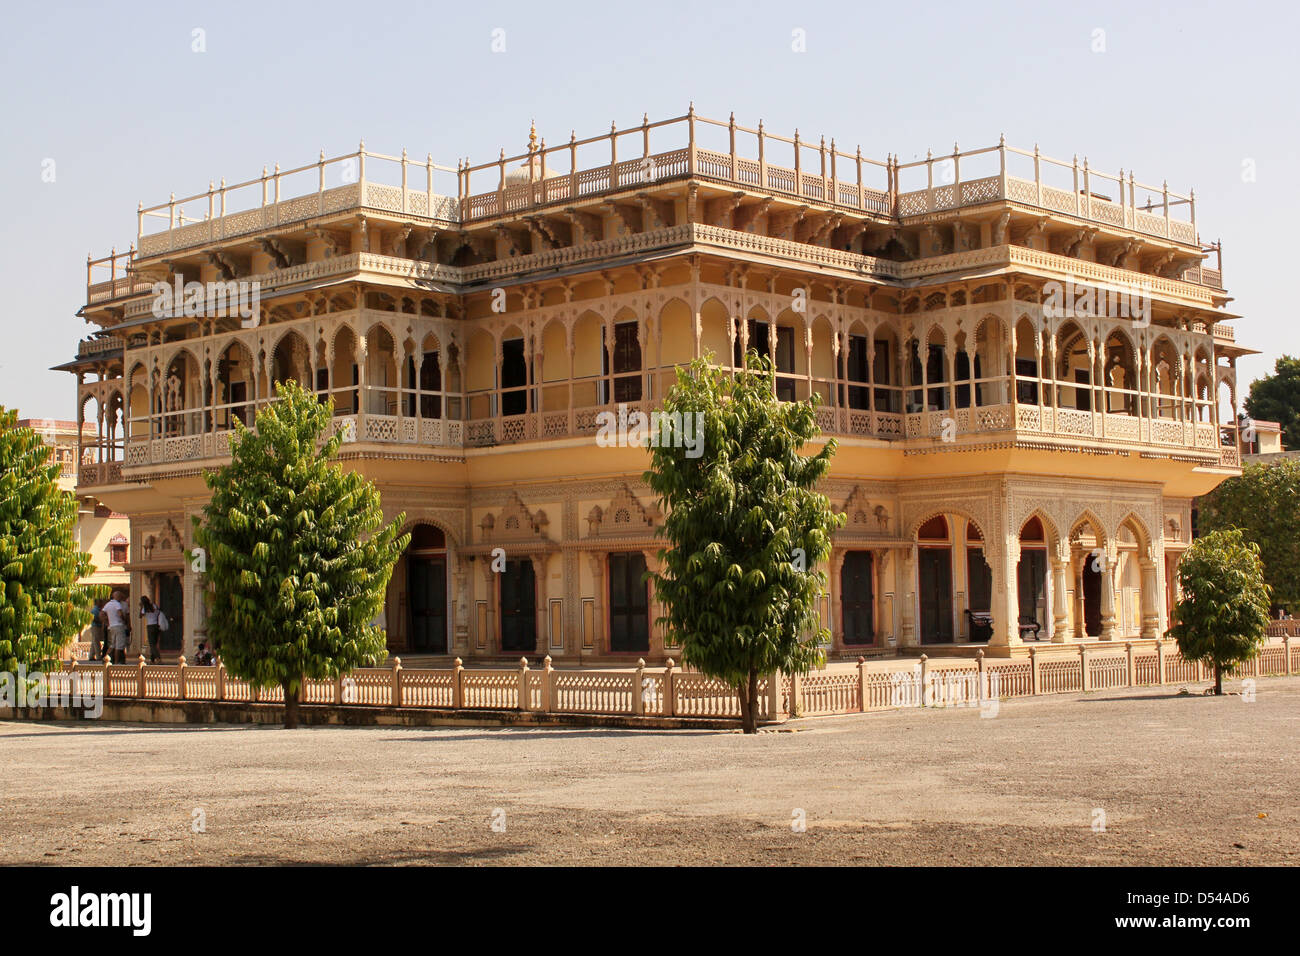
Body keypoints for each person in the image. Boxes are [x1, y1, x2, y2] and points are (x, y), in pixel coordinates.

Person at [102, 590, 128, 663]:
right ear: (118, 597)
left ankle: (105, 660)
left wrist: (107, 622)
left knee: (112, 645)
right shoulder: (117, 604)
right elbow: (120, 614)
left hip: (112, 626)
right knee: (118, 646)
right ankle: (116, 663)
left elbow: (101, 614)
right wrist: (124, 620)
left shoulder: (108, 604)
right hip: (119, 626)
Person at [140, 596, 164, 663]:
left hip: (150, 626)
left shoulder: (144, 608)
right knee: (154, 643)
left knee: (151, 644)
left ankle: (158, 658)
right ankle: (152, 659)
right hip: (157, 625)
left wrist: (141, 607)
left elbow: (140, 616)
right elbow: (158, 611)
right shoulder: (154, 606)